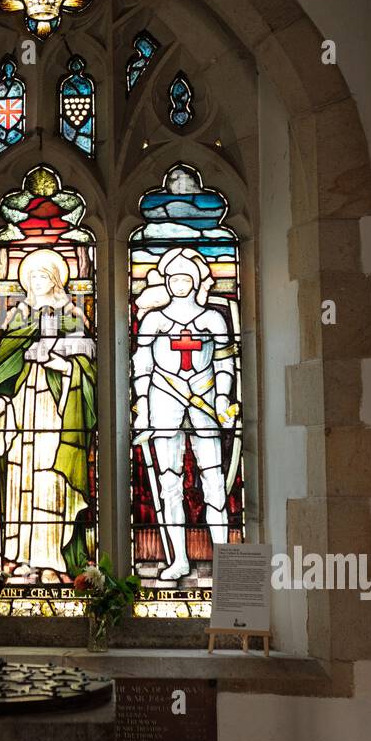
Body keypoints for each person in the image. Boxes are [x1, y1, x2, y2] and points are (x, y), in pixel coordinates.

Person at [0, 248, 96, 584]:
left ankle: (52, 560)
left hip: (55, 409)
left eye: (43, 276)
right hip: (20, 409)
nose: (37, 281)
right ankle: (19, 557)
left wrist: (59, 362)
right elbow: (2, 364)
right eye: (32, 276)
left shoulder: (72, 315)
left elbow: (88, 361)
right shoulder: (16, 318)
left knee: (51, 478)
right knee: (21, 478)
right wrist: (0, 397)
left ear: (55, 281)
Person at [132, 247, 238, 580]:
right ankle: (178, 559)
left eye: (186, 278)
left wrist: (222, 398)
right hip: (164, 399)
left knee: (215, 482)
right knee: (168, 485)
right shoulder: (154, 319)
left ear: (195, 282)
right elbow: (142, 365)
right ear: (167, 281)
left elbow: (224, 362)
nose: (179, 284)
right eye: (173, 278)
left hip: (205, 400)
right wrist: (143, 409)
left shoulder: (213, 319)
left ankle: (225, 558)